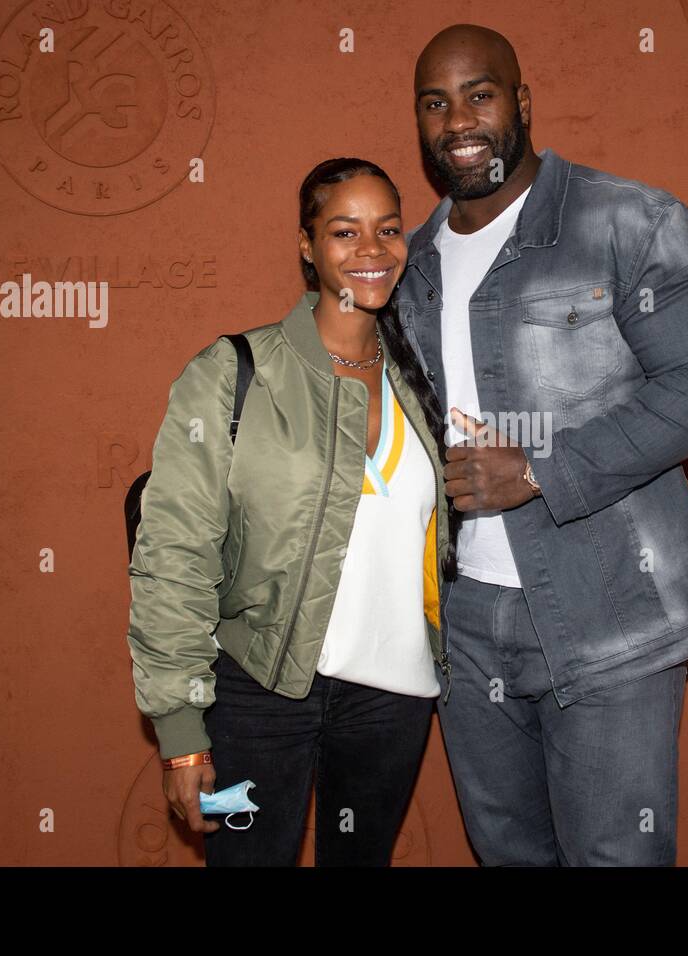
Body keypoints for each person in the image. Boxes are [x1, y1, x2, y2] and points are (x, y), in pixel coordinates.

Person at [398, 24, 688, 865]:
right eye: (435, 102)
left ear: (521, 102)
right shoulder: (410, 264)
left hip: (610, 608)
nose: (458, 120)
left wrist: (540, 469)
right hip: (464, 623)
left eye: (479, 94)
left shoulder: (628, 221)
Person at [125, 158, 456, 866]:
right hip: (250, 696)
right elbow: (173, 556)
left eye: (389, 230)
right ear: (308, 246)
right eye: (345, 231)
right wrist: (182, 735)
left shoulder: (418, 383)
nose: (372, 250)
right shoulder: (232, 371)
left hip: (393, 703)